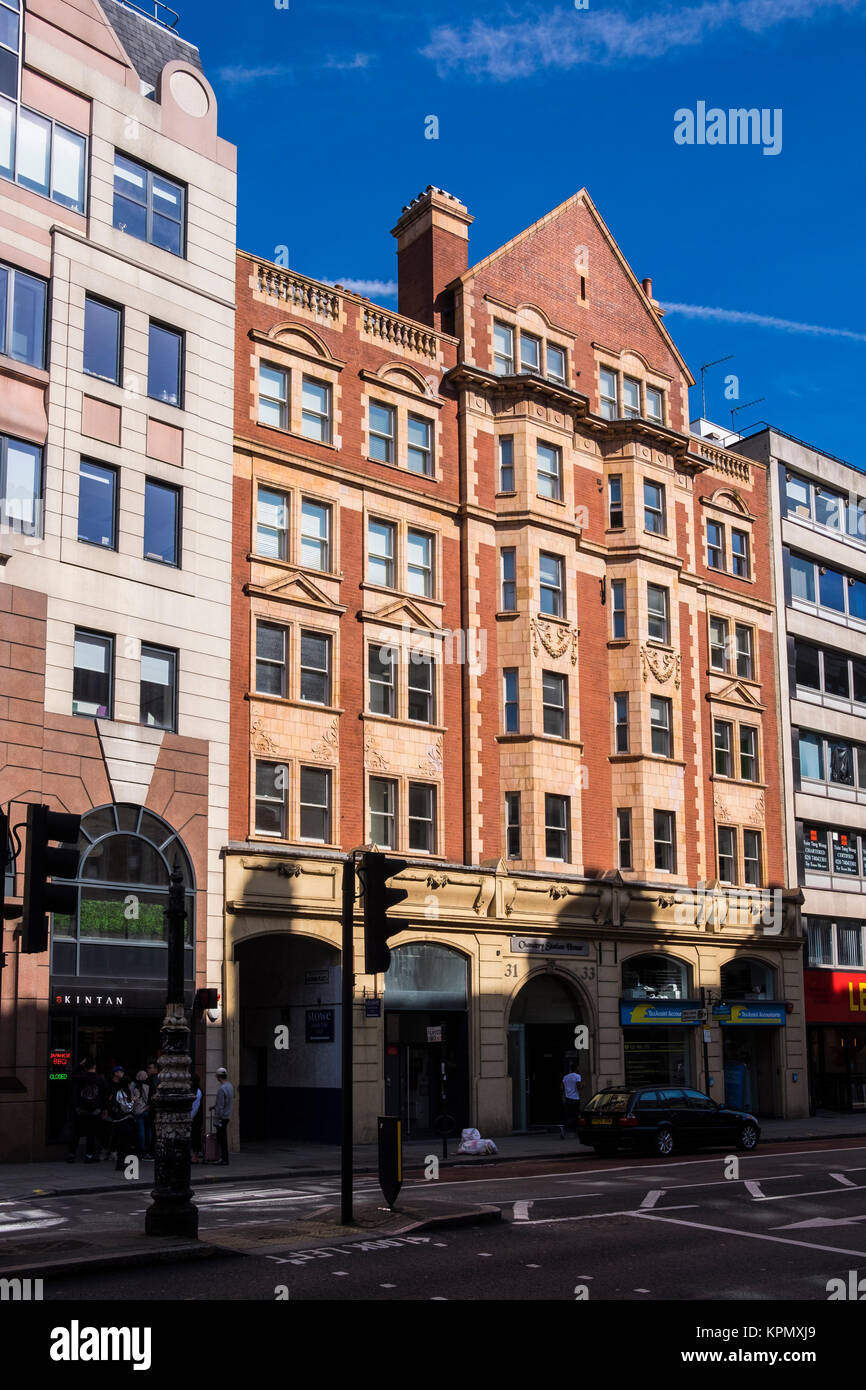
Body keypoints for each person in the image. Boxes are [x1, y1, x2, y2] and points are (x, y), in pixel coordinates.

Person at [67, 1059, 105, 1163]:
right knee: (91, 1134)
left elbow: (71, 1076)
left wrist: (79, 1066)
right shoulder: (100, 1079)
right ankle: (89, 1156)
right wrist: (104, 1108)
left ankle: (72, 1154)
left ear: (85, 1067)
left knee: (76, 1133)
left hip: (81, 1110)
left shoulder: (81, 1077)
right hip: (95, 1110)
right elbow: (104, 1093)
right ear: (95, 1067)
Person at [104, 1065, 136, 1172]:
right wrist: (133, 1101)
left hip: (120, 1120)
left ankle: (120, 1163)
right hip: (123, 1120)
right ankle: (121, 1163)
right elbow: (126, 1107)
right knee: (124, 1143)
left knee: (122, 1143)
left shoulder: (121, 1092)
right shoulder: (121, 1093)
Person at [213, 1066, 234, 1165]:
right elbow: (226, 1102)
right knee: (223, 1138)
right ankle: (224, 1158)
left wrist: (217, 1119)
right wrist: (214, 1106)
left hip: (221, 1118)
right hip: (227, 1116)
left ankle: (224, 1158)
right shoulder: (230, 1086)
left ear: (218, 1076)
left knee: (222, 1139)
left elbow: (220, 1106)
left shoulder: (222, 1089)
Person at [132, 1070, 150, 1158]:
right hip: (146, 1110)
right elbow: (148, 1099)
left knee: (141, 1130)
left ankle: (141, 1148)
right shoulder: (147, 1087)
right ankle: (148, 1148)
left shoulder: (134, 1087)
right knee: (148, 1130)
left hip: (138, 1111)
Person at [560, 1066, 582, 1138]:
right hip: (575, 1098)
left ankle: (566, 1129)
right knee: (576, 1115)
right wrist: (582, 1086)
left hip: (567, 1099)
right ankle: (575, 1130)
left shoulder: (565, 1077)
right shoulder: (577, 1076)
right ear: (576, 1069)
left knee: (569, 1115)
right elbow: (578, 1086)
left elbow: (561, 1088)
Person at [190, 1073, 203, 1162]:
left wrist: (190, 1117)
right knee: (194, 1136)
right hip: (195, 1118)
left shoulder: (197, 1091)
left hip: (196, 1118)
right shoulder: (194, 1090)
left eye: (190, 1080)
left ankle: (195, 1156)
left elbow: (195, 1106)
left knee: (195, 1136)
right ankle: (194, 1156)